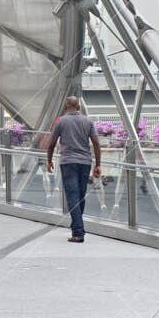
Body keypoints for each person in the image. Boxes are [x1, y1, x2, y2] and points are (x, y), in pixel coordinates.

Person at [46, 95, 102, 244]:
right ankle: (77, 226)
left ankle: (78, 232)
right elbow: (96, 143)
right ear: (78, 107)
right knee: (80, 195)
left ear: (66, 107)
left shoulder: (61, 121)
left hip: (68, 162)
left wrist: (49, 160)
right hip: (85, 162)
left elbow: (51, 143)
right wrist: (98, 164)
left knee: (72, 196)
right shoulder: (88, 121)